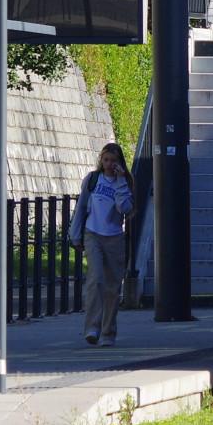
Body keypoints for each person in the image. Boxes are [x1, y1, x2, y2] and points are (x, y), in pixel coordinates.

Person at [69, 142, 133, 346]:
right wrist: (75, 234)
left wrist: (122, 181)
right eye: (106, 160)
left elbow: (125, 208)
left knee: (113, 288)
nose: (109, 164)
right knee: (95, 279)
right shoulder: (93, 179)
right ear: (101, 160)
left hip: (115, 237)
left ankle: (108, 332)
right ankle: (92, 328)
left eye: (113, 161)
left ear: (120, 162)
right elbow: (81, 207)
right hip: (93, 234)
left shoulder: (125, 181)